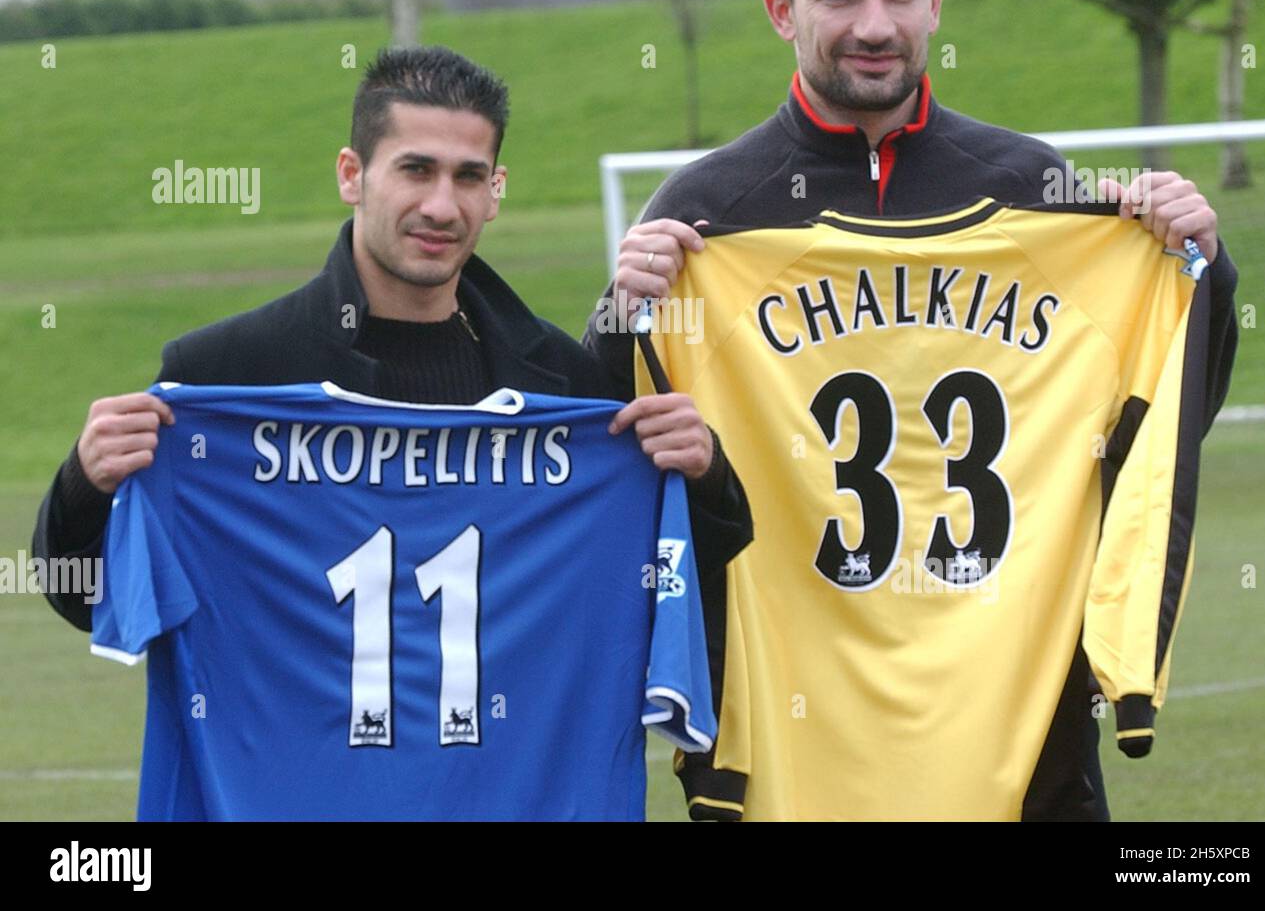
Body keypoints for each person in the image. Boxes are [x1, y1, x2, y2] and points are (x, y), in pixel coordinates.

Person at [583, 0, 1238, 821]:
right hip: (796, 752)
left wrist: (1196, 269)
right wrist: (613, 325)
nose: (875, 26)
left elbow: (1171, 401)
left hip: (1026, 752)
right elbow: (615, 471)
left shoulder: (1037, 192)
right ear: (781, 9)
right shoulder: (707, 215)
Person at [33, 45, 752, 635]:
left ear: (496, 191)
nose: (442, 206)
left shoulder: (561, 388)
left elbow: (667, 587)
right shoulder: (226, 376)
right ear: (354, 174)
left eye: (468, 177)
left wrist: (707, 475)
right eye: (415, 169)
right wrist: (85, 482)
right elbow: (92, 596)